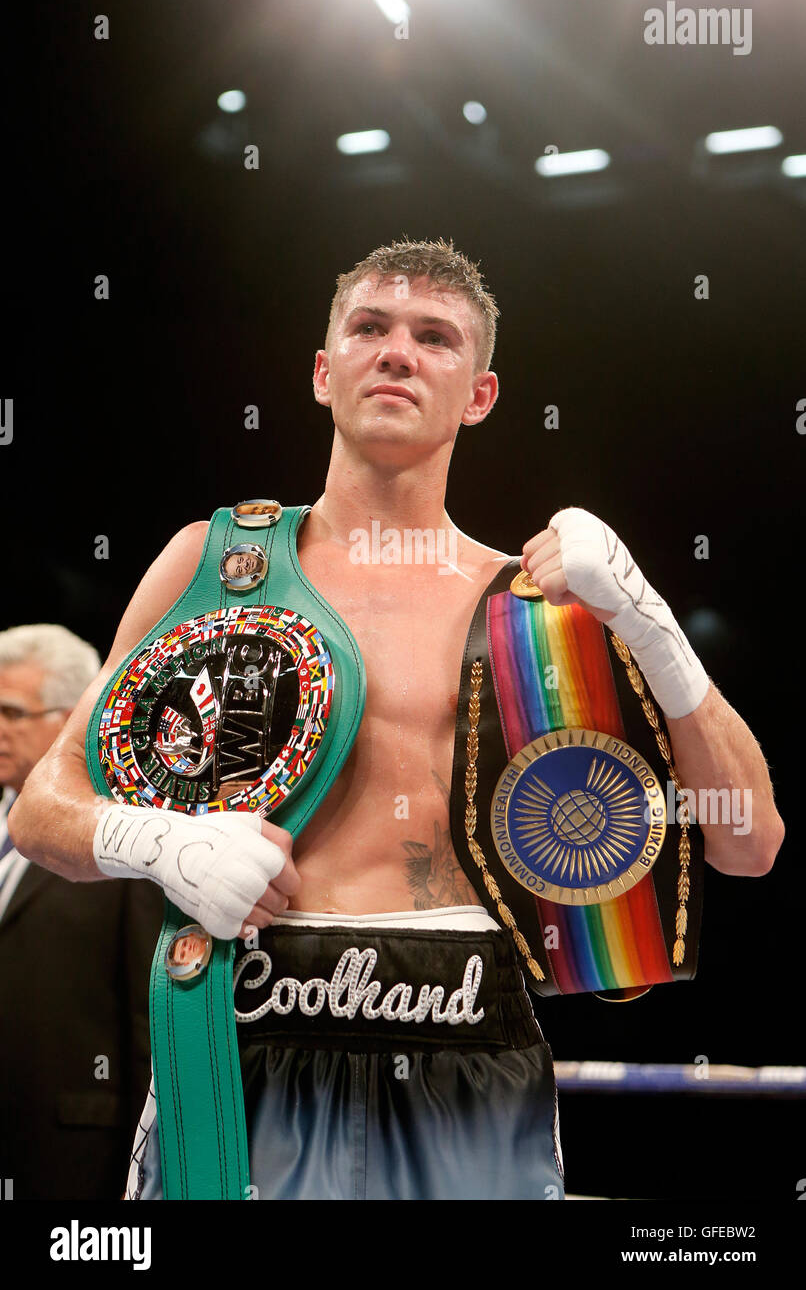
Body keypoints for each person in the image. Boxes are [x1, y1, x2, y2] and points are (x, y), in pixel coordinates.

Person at [9, 239, 785, 1201]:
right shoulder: (212, 566)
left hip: (468, 1050)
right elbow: (41, 812)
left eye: (434, 336)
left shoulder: (538, 613)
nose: (398, 352)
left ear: (481, 394)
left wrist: (659, 636)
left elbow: (750, 843)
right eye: (369, 327)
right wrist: (155, 839)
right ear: (324, 370)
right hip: (246, 1031)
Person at [0, 624, 163, 1199]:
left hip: (80, 1148)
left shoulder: (124, 830)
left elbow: (148, 1008)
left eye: (12, 711)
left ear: (72, 717)